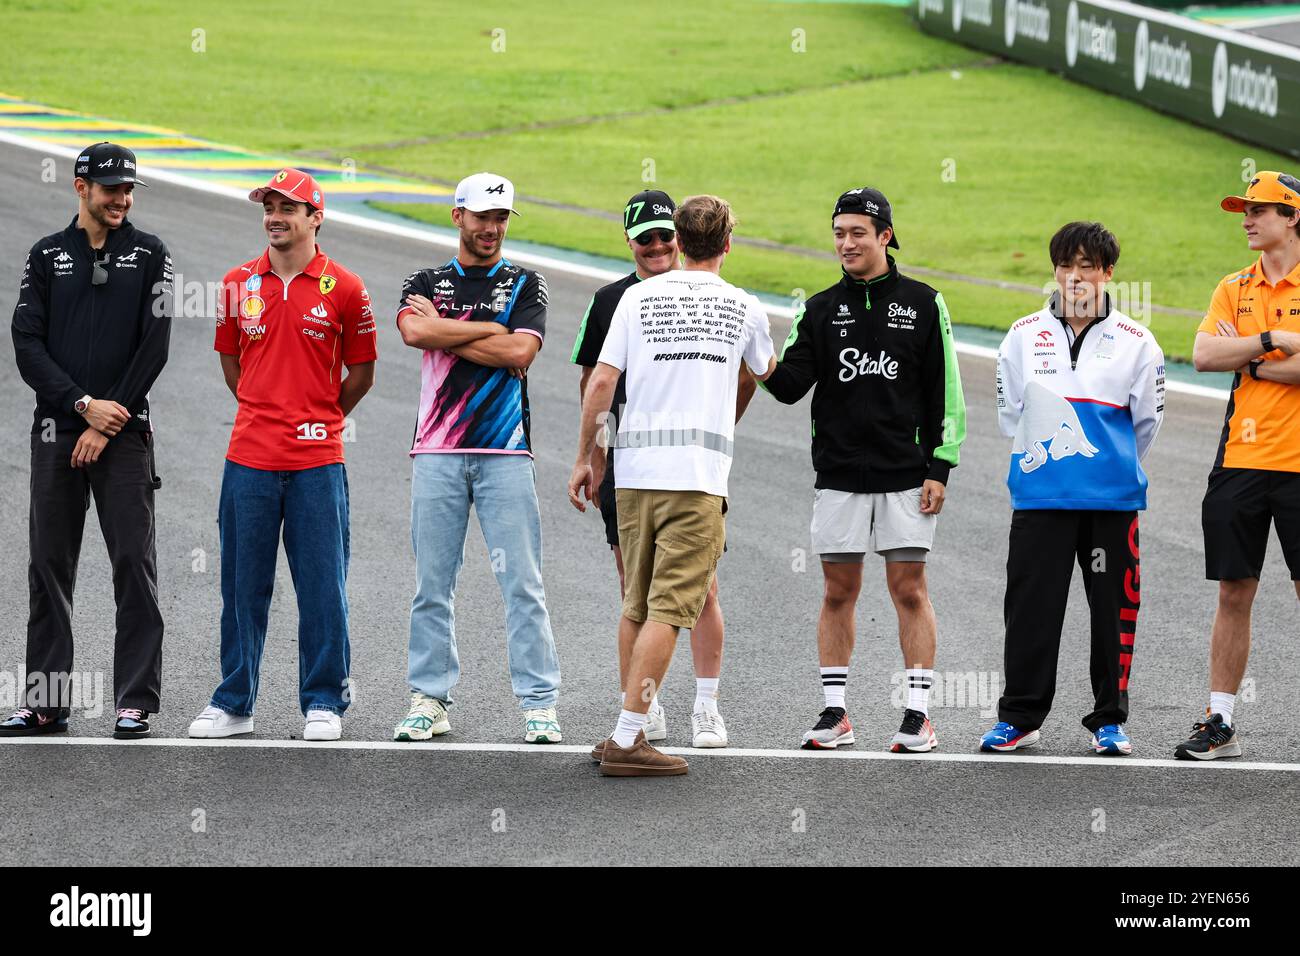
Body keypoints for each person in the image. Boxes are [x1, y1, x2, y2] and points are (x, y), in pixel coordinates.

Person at [570, 194, 775, 776]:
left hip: (633, 477)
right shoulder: (743, 306)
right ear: (729, 243)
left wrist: (585, 456)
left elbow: (603, 382)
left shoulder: (636, 297)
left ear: (679, 244)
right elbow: (768, 374)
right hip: (695, 479)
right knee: (673, 608)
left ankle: (629, 724)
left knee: (636, 602)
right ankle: (629, 738)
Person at [762, 187, 966, 753]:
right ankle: (835, 715)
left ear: (885, 236)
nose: (846, 243)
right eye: (839, 233)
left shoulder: (926, 303)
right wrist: (754, 348)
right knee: (836, 591)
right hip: (840, 473)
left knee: (908, 589)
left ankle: (919, 715)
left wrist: (940, 467)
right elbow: (787, 387)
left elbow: (943, 391)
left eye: (857, 232)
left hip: (907, 473)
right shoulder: (820, 308)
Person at [187, 168, 376, 741]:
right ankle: (234, 702)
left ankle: (323, 702)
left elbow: (362, 373)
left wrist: (319, 418)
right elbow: (232, 365)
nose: (274, 216)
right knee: (242, 587)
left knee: (322, 586)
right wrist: (265, 411)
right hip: (249, 456)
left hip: (319, 463)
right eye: (268, 206)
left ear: (315, 217)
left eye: (287, 208)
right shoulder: (236, 283)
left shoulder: (346, 287)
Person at [3, 141, 171, 740]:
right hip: (57, 427)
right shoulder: (47, 254)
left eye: (128, 189)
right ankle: (46, 703)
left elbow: (155, 346)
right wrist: (80, 405)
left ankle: (135, 702)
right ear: (81, 187)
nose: (122, 199)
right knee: (49, 563)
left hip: (123, 432)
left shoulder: (151, 253)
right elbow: (27, 345)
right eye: (110, 189)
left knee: (133, 561)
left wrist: (109, 418)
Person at [391, 172, 562, 744]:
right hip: (436, 451)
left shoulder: (526, 282)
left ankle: (539, 703)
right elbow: (413, 335)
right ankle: (429, 699)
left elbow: (521, 350)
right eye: (482, 216)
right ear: (457, 215)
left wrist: (452, 332)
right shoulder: (425, 279)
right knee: (432, 585)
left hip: (505, 453)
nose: (492, 228)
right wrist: (488, 329)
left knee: (523, 585)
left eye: (502, 217)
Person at [982, 222, 1164, 756]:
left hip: (1111, 504)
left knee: (1112, 613)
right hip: (1041, 500)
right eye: (1066, 265)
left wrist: (1109, 466)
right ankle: (1019, 717)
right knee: (1031, 610)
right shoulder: (1021, 335)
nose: (1076, 276)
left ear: (1109, 273)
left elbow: (1147, 424)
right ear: (1055, 271)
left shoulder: (1137, 342)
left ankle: (1109, 720)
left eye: (1088, 266)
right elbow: (1010, 415)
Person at [1176, 171, 1300, 760]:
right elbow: (1203, 354)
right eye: (1243, 210)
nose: (1247, 220)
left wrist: (1246, 358)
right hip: (1240, 460)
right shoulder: (1233, 285)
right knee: (1233, 590)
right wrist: (1277, 338)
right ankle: (1220, 721)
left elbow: (1229, 355)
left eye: (1260, 210)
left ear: (1293, 215)